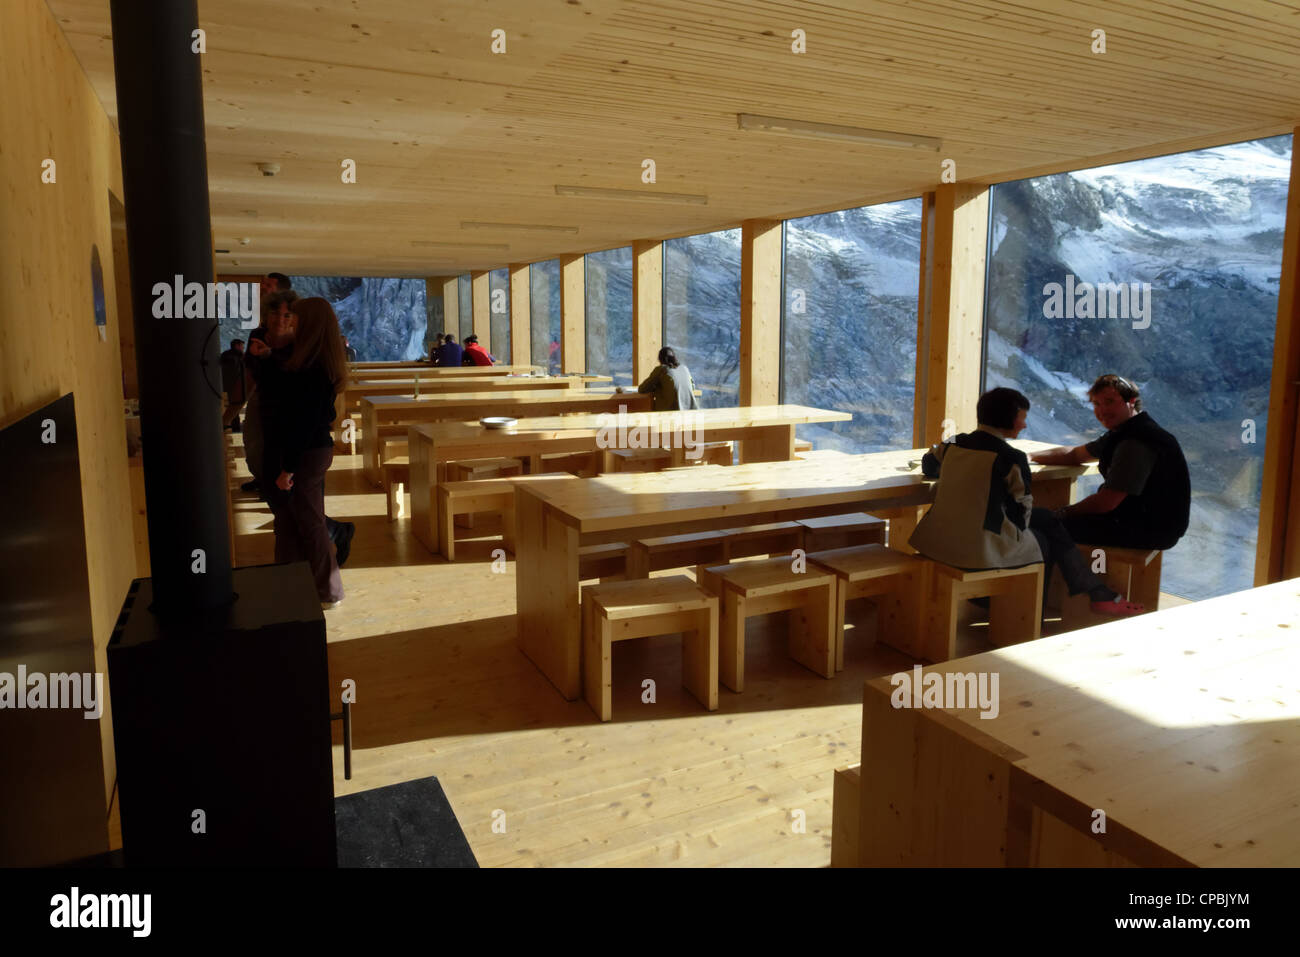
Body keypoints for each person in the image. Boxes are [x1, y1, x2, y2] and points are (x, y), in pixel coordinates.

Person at [909, 387, 1142, 616]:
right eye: (1022, 417)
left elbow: (929, 464)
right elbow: (1021, 516)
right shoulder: (1011, 458)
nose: (1024, 424)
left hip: (936, 541)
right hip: (978, 550)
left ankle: (1093, 591)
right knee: (1044, 538)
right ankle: (1031, 613)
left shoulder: (953, 443)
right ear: (1008, 419)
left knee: (1049, 520)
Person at [245, 292, 355, 567]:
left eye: (289, 316)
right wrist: (267, 357)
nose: (285, 321)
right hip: (292, 443)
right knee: (291, 517)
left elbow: (303, 415)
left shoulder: (311, 360)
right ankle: (295, 580)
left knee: (305, 517)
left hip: (302, 447)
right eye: (278, 314)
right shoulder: (306, 354)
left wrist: (289, 467)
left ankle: (327, 585)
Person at [1029, 374, 1190, 551]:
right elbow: (1075, 455)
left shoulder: (1136, 442)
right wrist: (1030, 456)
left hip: (1148, 529)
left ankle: (1079, 578)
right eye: (1097, 404)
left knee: (1043, 527)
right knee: (1047, 522)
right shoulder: (1127, 430)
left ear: (1131, 401)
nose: (1102, 410)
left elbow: (1105, 503)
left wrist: (1061, 513)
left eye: (1110, 402)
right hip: (1143, 521)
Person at [637, 346, 699, 412]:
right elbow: (693, 387)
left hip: (670, 415)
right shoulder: (684, 368)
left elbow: (642, 389)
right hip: (691, 413)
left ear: (660, 359)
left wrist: (656, 388)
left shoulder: (661, 369)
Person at [219, 339, 246, 432]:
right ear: (237, 346)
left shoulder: (224, 356)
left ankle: (231, 425)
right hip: (235, 386)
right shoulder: (238, 358)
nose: (243, 349)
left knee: (232, 406)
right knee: (235, 406)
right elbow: (238, 373)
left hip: (224, 386)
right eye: (242, 347)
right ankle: (235, 428)